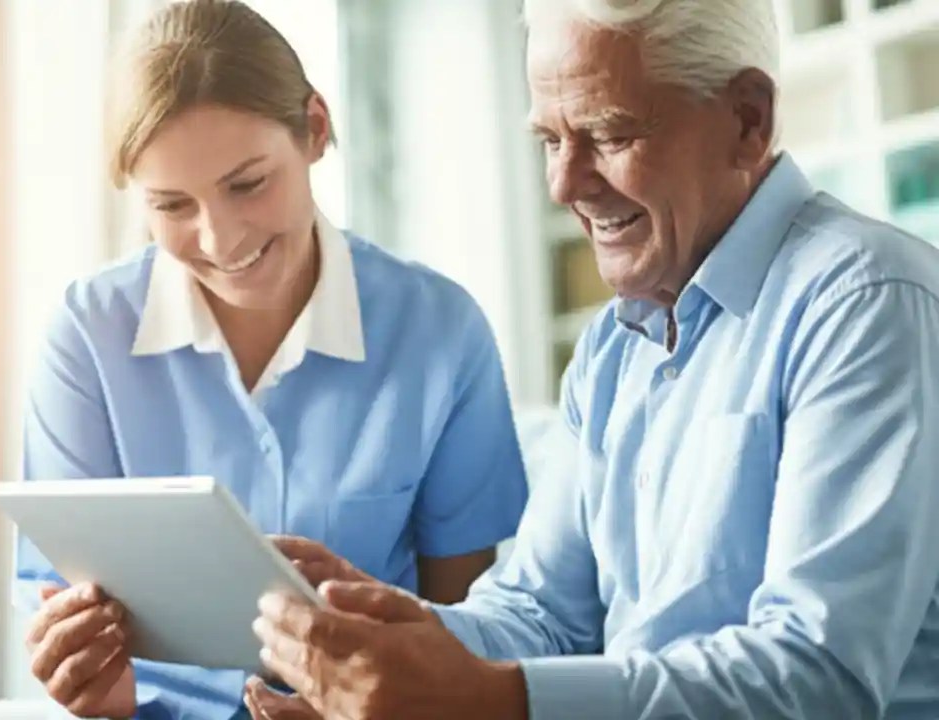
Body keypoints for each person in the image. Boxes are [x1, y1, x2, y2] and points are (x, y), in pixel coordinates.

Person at [247, 0, 939, 718]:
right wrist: (381, 642)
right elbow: (542, 617)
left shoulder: (867, 301)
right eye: (550, 140)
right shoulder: (613, 346)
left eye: (609, 134)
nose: (563, 184)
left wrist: (485, 698)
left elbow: (817, 677)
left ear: (747, 121)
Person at [13, 1, 529, 718]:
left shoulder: (441, 332)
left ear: (314, 129)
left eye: (248, 184)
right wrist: (91, 686)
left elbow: (464, 634)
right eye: (172, 205)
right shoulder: (87, 336)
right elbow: (62, 606)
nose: (220, 239)